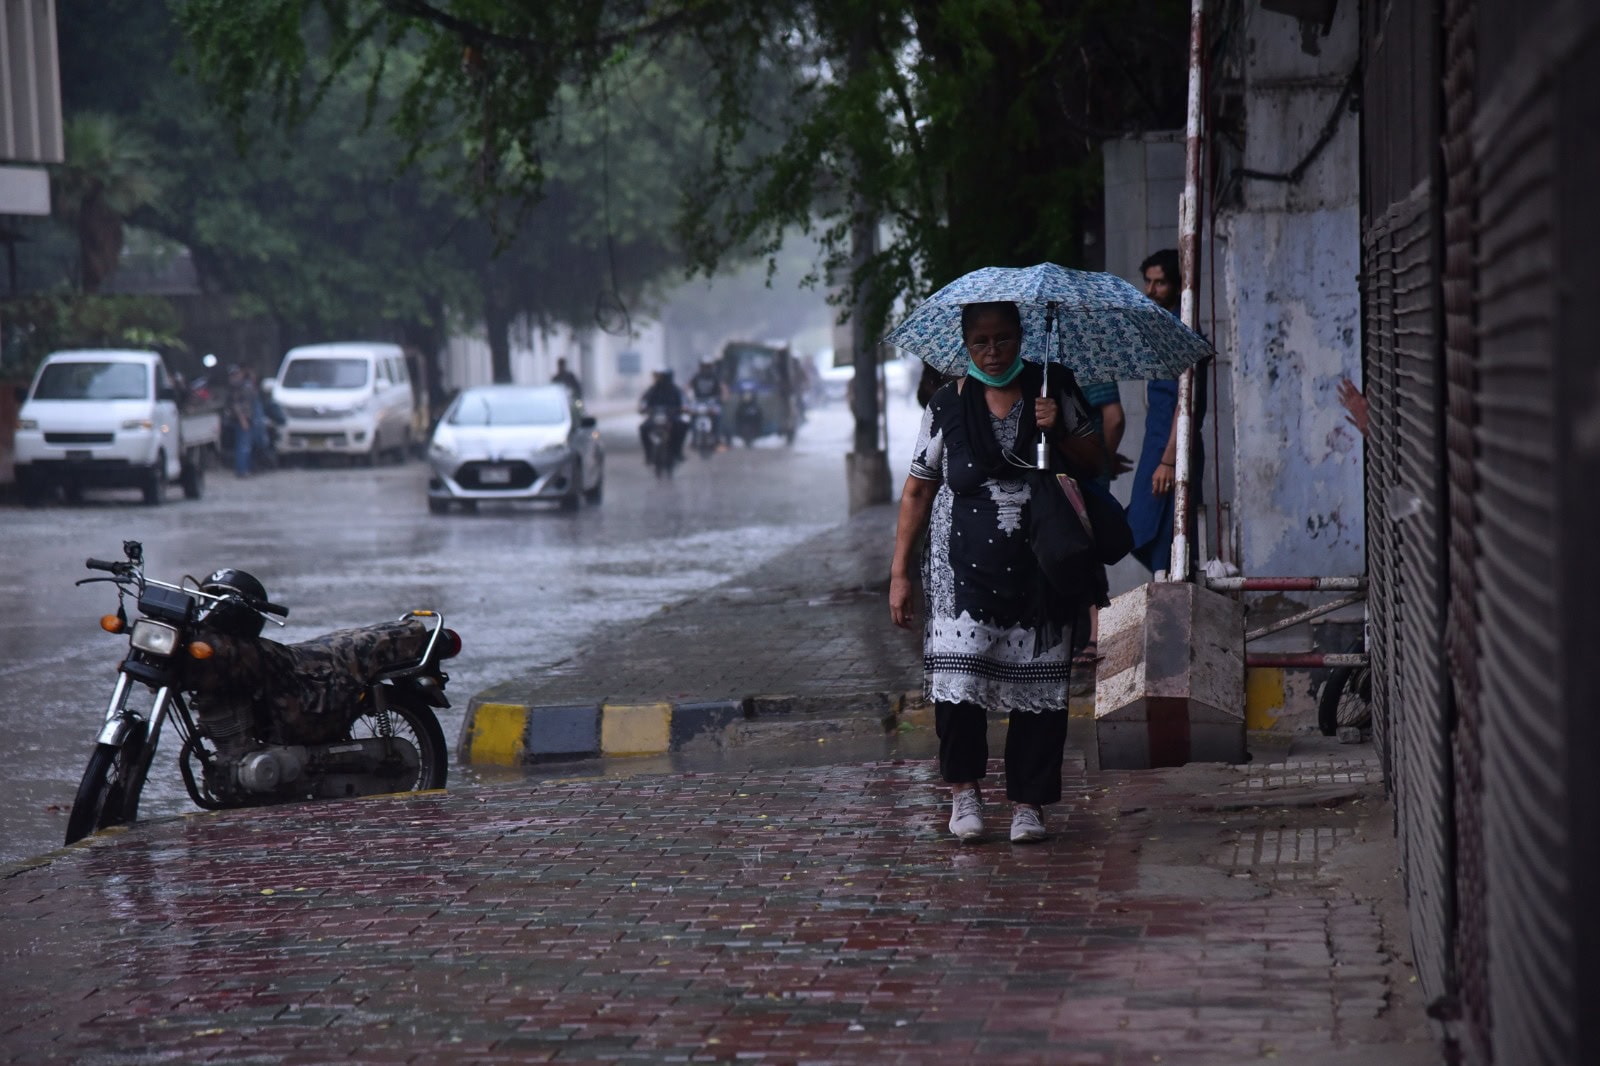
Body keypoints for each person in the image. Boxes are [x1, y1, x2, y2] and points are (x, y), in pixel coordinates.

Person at [889, 300, 1105, 845]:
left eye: (1004, 339)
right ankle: (964, 794)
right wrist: (900, 574)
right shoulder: (946, 403)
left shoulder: (1052, 386)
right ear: (965, 345)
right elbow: (918, 488)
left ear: (1021, 337)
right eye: (981, 342)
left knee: (1040, 685)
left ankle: (1028, 804)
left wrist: (1059, 429)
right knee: (960, 687)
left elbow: (1095, 458)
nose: (993, 350)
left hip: (1040, 565)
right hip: (960, 568)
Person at [1127, 249, 1208, 576]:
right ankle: (1164, 581)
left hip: (1172, 447)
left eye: (1159, 283)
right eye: (1148, 282)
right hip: (1157, 443)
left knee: (1166, 529)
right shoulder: (1164, 329)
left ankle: (1169, 586)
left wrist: (1169, 459)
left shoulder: (1184, 333)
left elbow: (1184, 403)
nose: (1151, 290)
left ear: (1177, 285)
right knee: (1143, 523)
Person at [638, 368, 687, 463]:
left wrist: (683, 408)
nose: (658, 379)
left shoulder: (675, 390)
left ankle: (678, 452)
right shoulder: (652, 389)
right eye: (657, 376)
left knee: (682, 426)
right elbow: (644, 401)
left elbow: (684, 402)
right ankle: (648, 454)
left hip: (672, 417)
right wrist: (643, 408)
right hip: (655, 417)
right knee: (643, 428)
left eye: (660, 376)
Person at [687, 356, 729, 446]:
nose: (706, 369)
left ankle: (718, 438)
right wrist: (687, 396)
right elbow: (687, 386)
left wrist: (724, 397)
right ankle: (693, 438)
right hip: (698, 402)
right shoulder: (696, 376)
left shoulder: (715, 377)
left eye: (708, 366)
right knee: (692, 415)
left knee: (718, 416)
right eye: (704, 366)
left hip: (712, 402)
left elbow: (723, 387)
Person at [224, 365, 257, 478]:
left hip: (241, 418)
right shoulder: (238, 387)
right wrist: (243, 419)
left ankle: (243, 468)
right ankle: (242, 470)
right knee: (243, 446)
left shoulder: (240, 386)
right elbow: (237, 405)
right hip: (242, 419)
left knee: (243, 445)